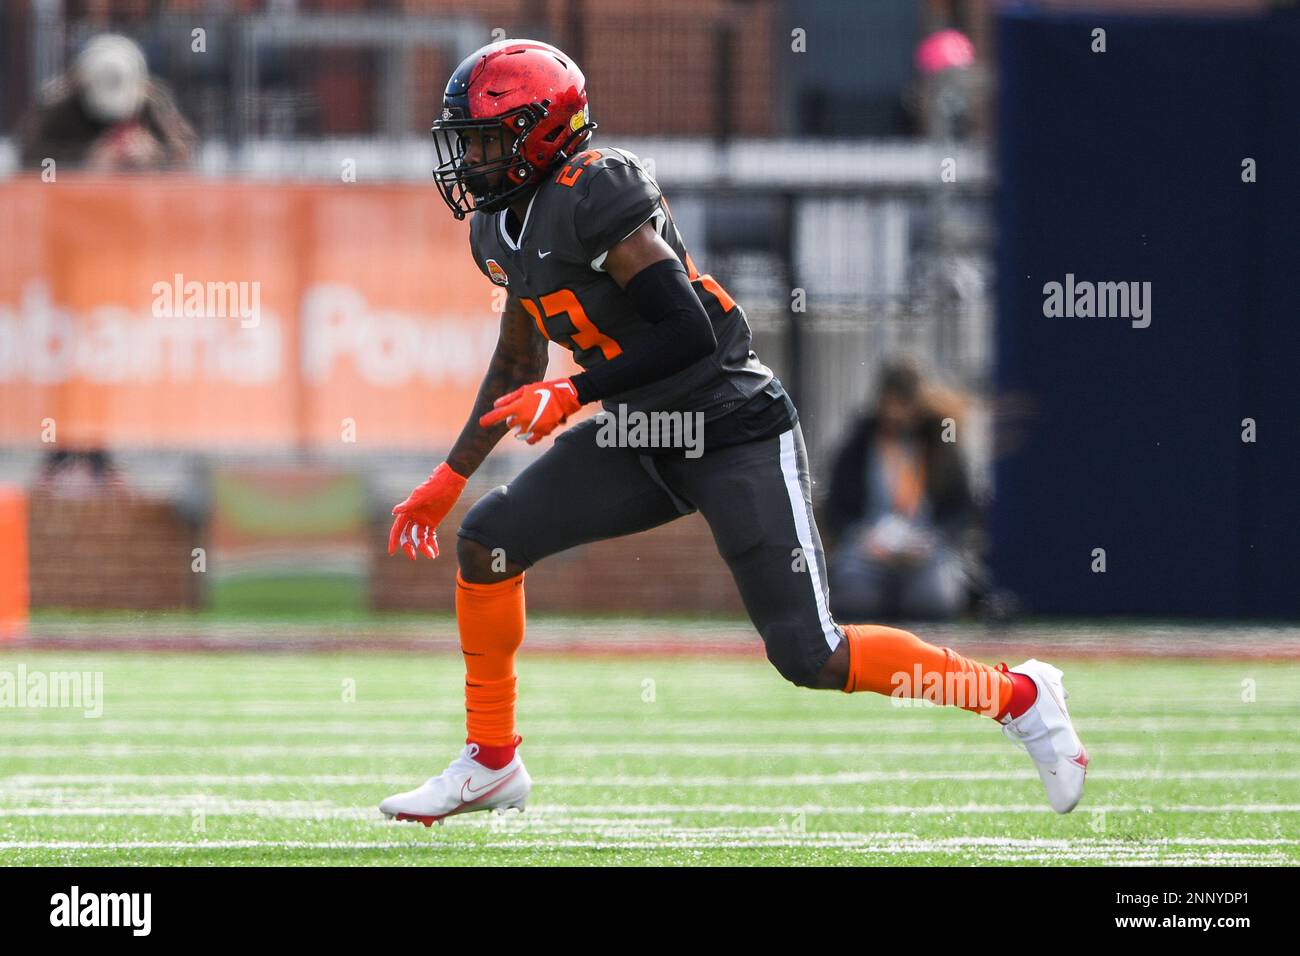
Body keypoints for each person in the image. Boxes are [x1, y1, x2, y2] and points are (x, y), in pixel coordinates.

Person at [378, 39, 1087, 824]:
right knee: (488, 540)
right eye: (467, 141)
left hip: (732, 425)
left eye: (483, 139)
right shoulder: (498, 229)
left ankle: (1018, 696)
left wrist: (574, 392)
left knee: (813, 655)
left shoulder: (596, 189)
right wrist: (449, 476)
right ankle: (491, 762)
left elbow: (688, 332)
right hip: (645, 433)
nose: (469, 159)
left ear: (541, 132)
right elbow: (517, 356)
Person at [826, 359, 976, 621]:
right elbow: (836, 510)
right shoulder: (858, 445)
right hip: (867, 552)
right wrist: (862, 538)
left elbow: (961, 509)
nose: (898, 416)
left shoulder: (943, 444)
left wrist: (933, 540)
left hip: (926, 553)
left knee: (932, 602)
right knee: (856, 600)